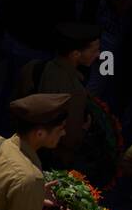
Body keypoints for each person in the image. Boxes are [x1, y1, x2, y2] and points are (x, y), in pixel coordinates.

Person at [12, 22, 100, 171]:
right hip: (52, 160)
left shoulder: (33, 67)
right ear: (75, 54)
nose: (98, 55)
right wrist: (83, 130)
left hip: (22, 145)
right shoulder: (75, 90)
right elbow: (70, 139)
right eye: (94, 50)